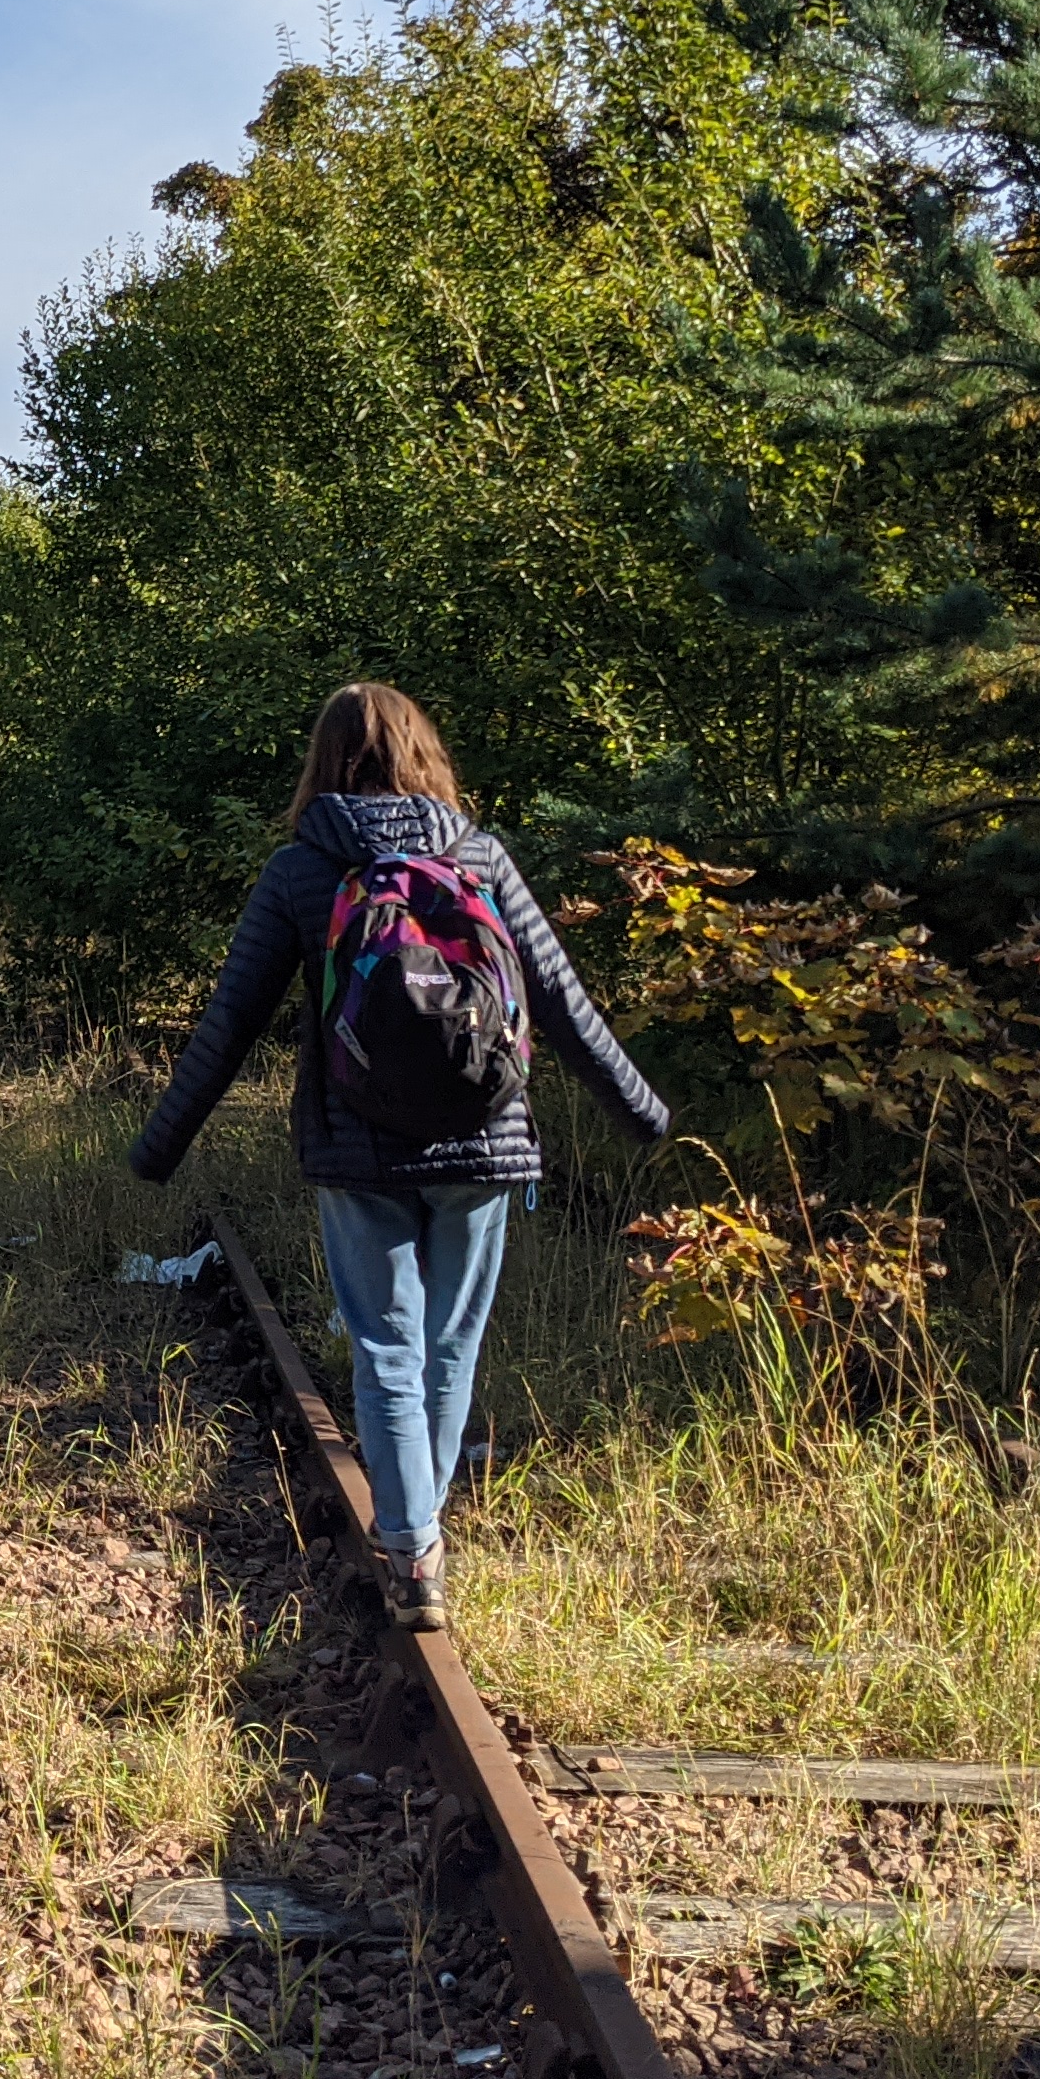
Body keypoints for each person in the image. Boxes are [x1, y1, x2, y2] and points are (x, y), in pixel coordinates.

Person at [125, 681, 667, 1629]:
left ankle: (414, 1551)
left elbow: (229, 1023)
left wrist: (159, 1148)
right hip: (482, 1140)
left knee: (386, 1344)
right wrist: (644, 1112)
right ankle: (423, 1529)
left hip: (359, 1148)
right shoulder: (480, 856)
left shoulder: (303, 870)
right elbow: (564, 1005)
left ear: (324, 763)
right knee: (448, 1346)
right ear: (425, 754)